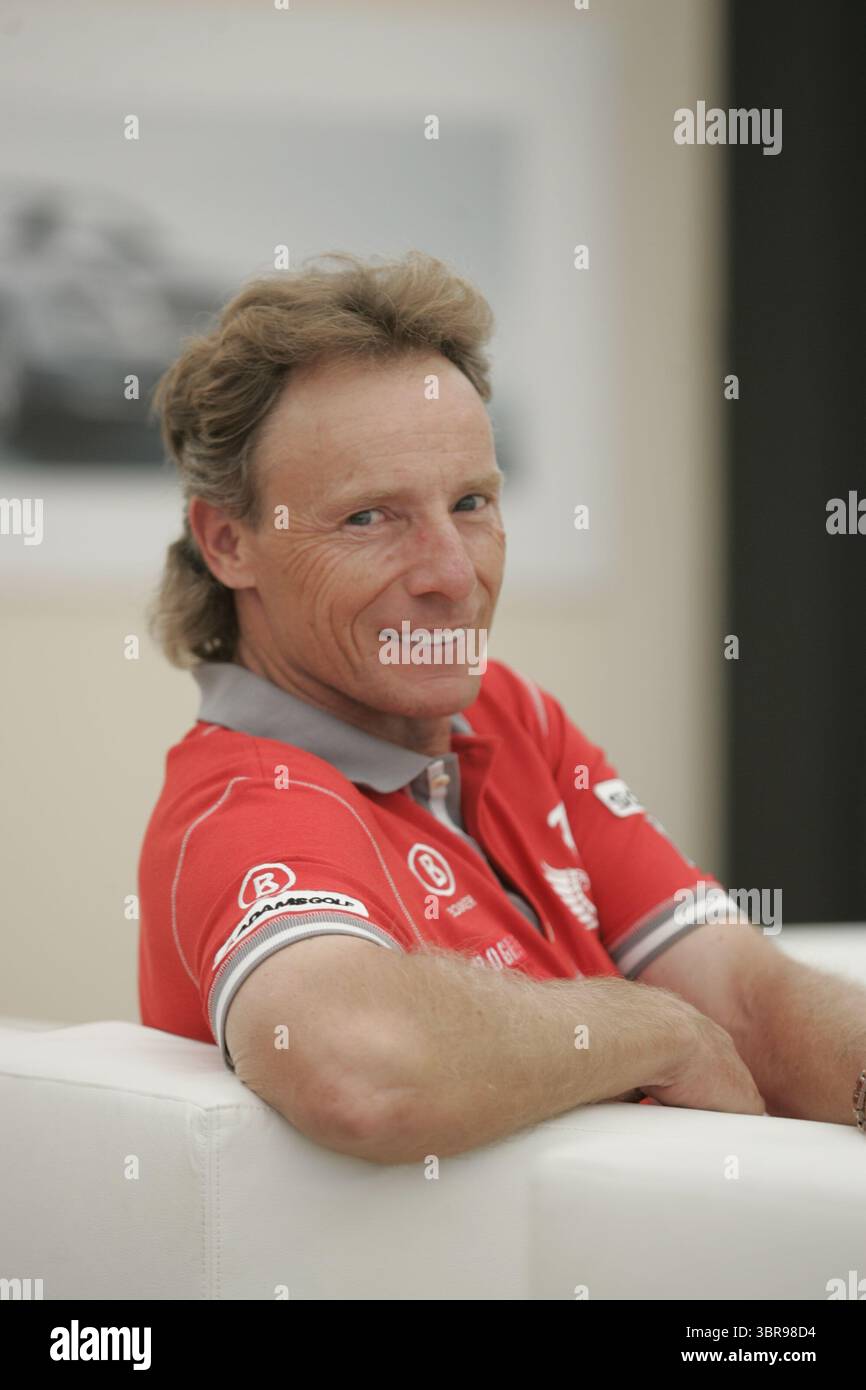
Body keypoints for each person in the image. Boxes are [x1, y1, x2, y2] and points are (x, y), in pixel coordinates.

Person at [138, 251, 866, 1164]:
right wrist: (656, 1029)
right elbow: (364, 1069)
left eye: (471, 502)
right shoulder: (247, 804)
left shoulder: (506, 716)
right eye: (370, 518)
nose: (453, 574)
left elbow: (749, 999)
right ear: (228, 541)